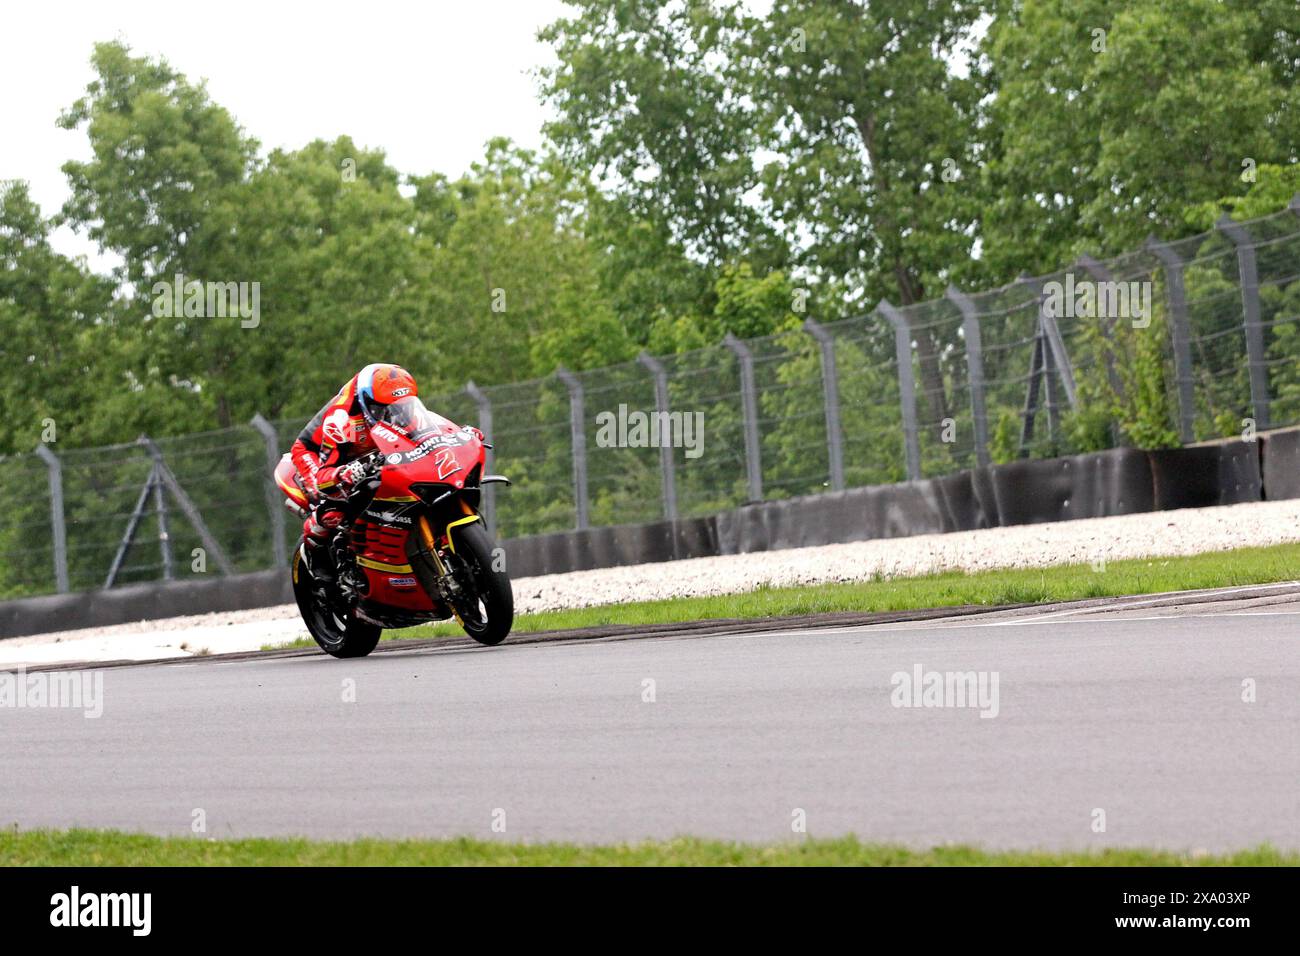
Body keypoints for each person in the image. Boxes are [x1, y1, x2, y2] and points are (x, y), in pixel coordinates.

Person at [290, 363, 419, 582]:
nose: (394, 414)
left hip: (368, 451)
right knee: (332, 506)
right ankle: (318, 562)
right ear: (366, 404)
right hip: (316, 455)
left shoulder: (403, 408)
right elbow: (323, 477)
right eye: (385, 409)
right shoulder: (340, 419)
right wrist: (344, 474)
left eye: (401, 406)